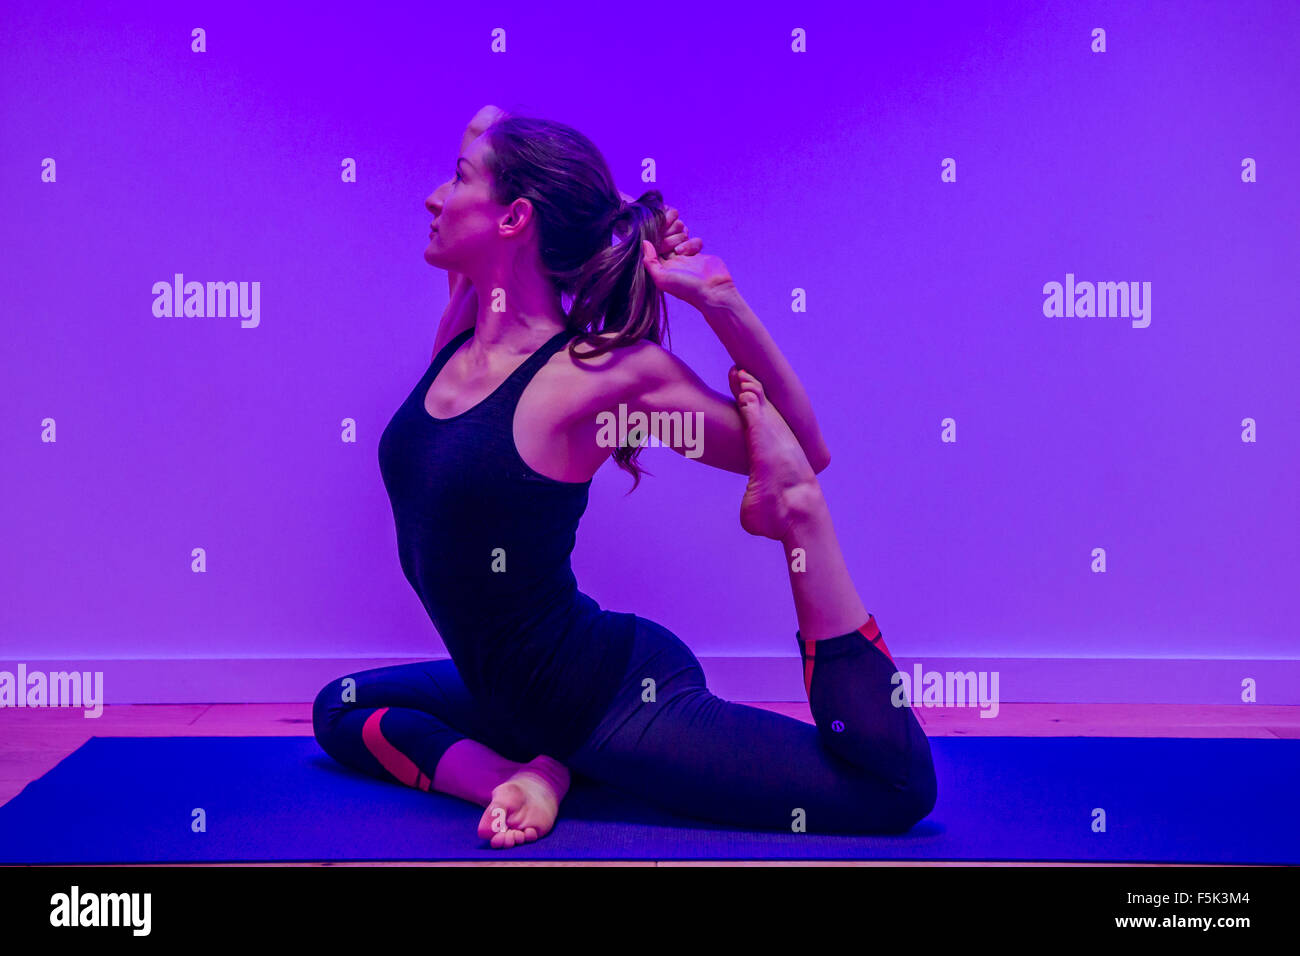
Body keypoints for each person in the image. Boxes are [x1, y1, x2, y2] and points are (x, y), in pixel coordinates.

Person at [313, 106, 937, 848]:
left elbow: (800, 446)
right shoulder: (459, 335)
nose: (433, 198)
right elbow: (487, 120)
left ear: (514, 217)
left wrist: (718, 299)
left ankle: (797, 521)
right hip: (505, 697)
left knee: (889, 791)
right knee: (339, 708)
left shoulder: (598, 378)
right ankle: (525, 776)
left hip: (607, 697)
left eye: (456, 181)